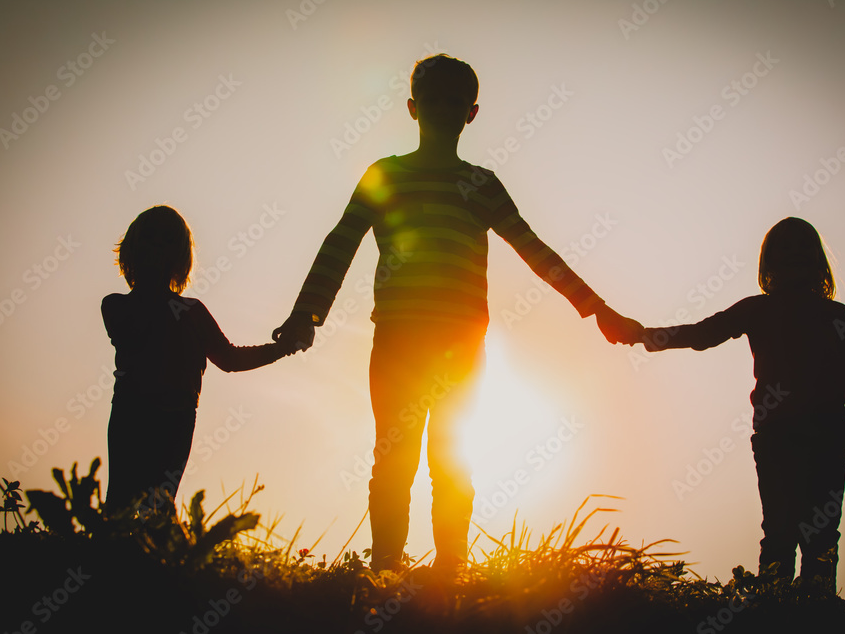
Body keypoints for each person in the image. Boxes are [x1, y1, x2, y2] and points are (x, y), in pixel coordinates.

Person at [274, 54, 641, 573]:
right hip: (398, 341)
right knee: (393, 462)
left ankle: (450, 573)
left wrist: (596, 308)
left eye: (454, 100)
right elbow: (341, 242)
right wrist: (306, 314)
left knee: (451, 462)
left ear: (471, 113)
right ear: (413, 107)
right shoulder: (385, 176)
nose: (443, 108)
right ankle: (385, 571)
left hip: (461, 346)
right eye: (433, 99)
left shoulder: (481, 184)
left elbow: (534, 250)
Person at [640, 217, 845, 590]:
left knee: (822, 535)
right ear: (770, 262)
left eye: (802, 248)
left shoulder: (835, 315)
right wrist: (645, 336)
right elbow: (703, 333)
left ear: (817, 260)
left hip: (826, 435)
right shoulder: (758, 310)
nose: (795, 255)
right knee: (781, 531)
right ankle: (774, 613)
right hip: (778, 436)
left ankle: (816, 614)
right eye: (786, 248)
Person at [102, 205, 289, 513]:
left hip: (177, 418)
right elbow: (137, 330)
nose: (157, 247)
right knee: (120, 502)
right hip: (131, 414)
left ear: (178, 255)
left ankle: (155, 559)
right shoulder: (116, 306)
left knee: (159, 506)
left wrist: (281, 349)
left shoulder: (192, 311)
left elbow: (228, 359)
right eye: (150, 239)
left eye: (166, 241)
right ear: (134, 249)